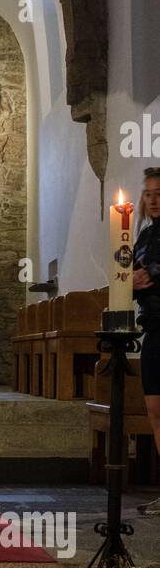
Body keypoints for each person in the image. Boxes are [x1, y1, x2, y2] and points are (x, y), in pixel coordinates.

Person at [132, 167, 160, 514]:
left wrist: (149, 273)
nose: (153, 200)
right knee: (154, 409)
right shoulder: (143, 236)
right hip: (153, 327)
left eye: (159, 193)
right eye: (149, 194)